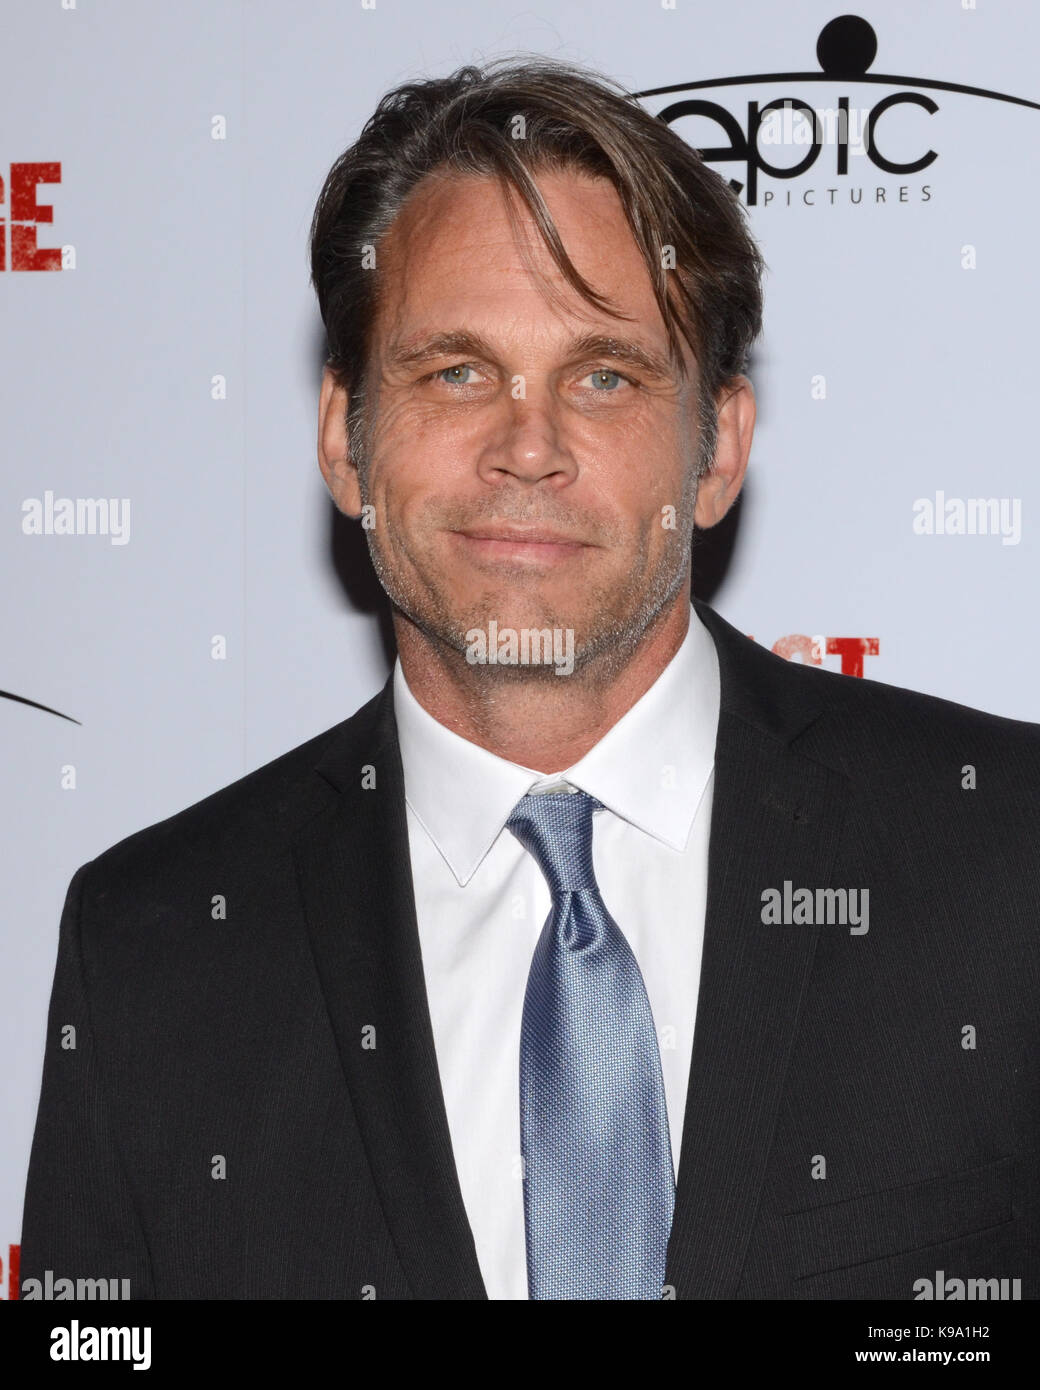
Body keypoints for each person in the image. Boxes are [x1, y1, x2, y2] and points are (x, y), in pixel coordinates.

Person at [20, 57, 1040, 1301]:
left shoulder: (1003, 854)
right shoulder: (155, 950)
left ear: (716, 450)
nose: (527, 445)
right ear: (344, 441)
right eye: (455, 371)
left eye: (602, 375)